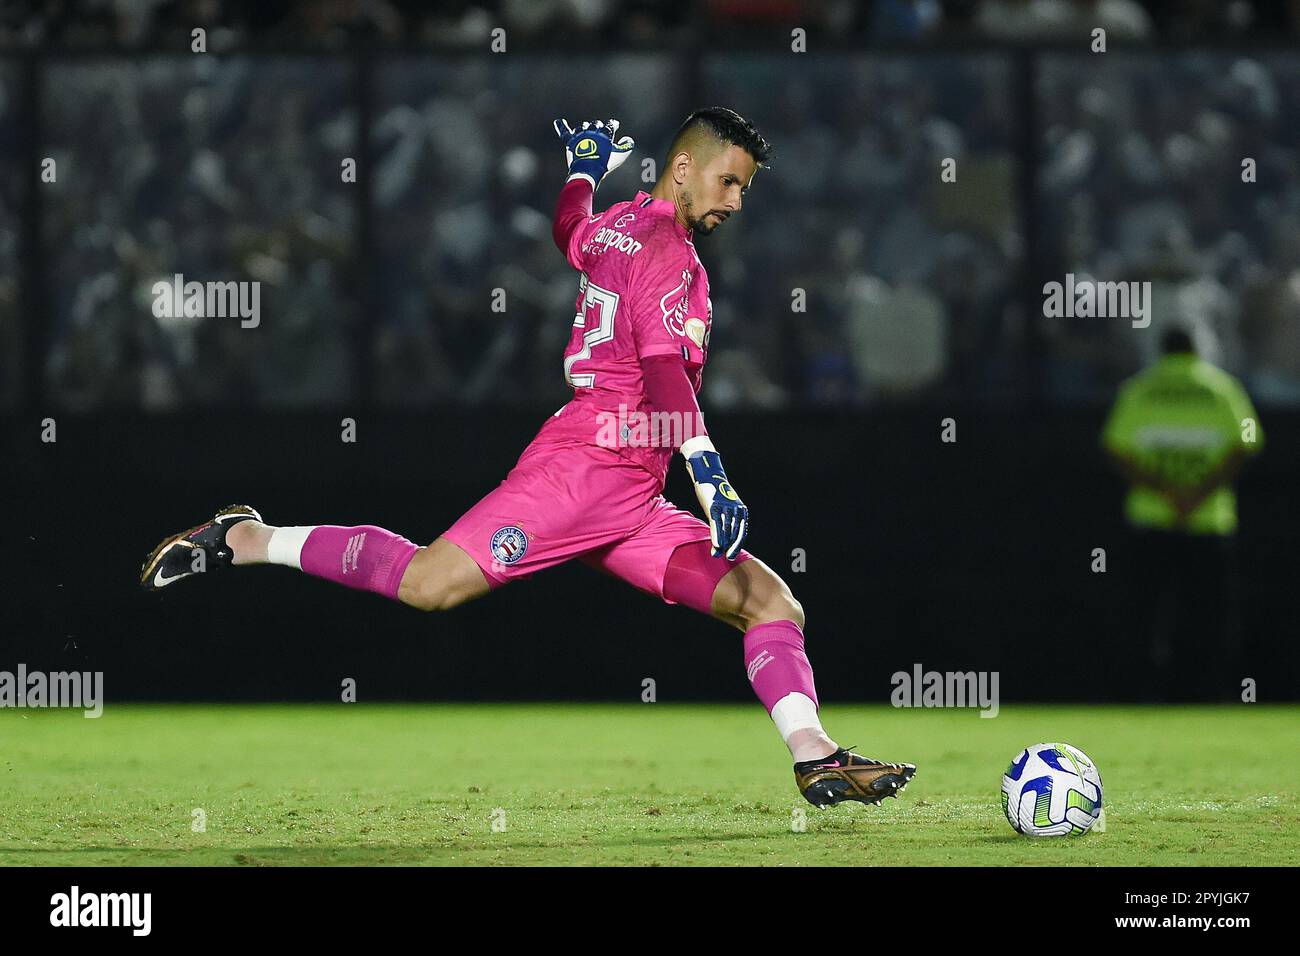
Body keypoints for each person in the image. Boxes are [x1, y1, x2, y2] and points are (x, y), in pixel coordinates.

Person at [140, 108, 915, 807]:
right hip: (582, 473)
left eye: (743, 187)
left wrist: (580, 172)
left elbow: (567, 233)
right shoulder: (673, 259)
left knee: (770, 603)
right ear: (683, 168)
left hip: (631, 495)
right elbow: (664, 377)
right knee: (427, 584)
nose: (735, 200)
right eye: (728, 180)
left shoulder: (617, 223)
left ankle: (814, 757)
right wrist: (712, 477)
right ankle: (246, 537)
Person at [1101, 327, 1263, 701]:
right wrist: (1198, 494)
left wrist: (1166, 493)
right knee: (1210, 615)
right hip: (1209, 521)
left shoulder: (1139, 389)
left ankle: (1143, 694)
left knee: (1145, 613)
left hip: (1152, 521)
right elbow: (1247, 443)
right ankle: (1208, 693)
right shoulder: (1223, 389)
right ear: (1197, 350)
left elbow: (1116, 449)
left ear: (1162, 349)